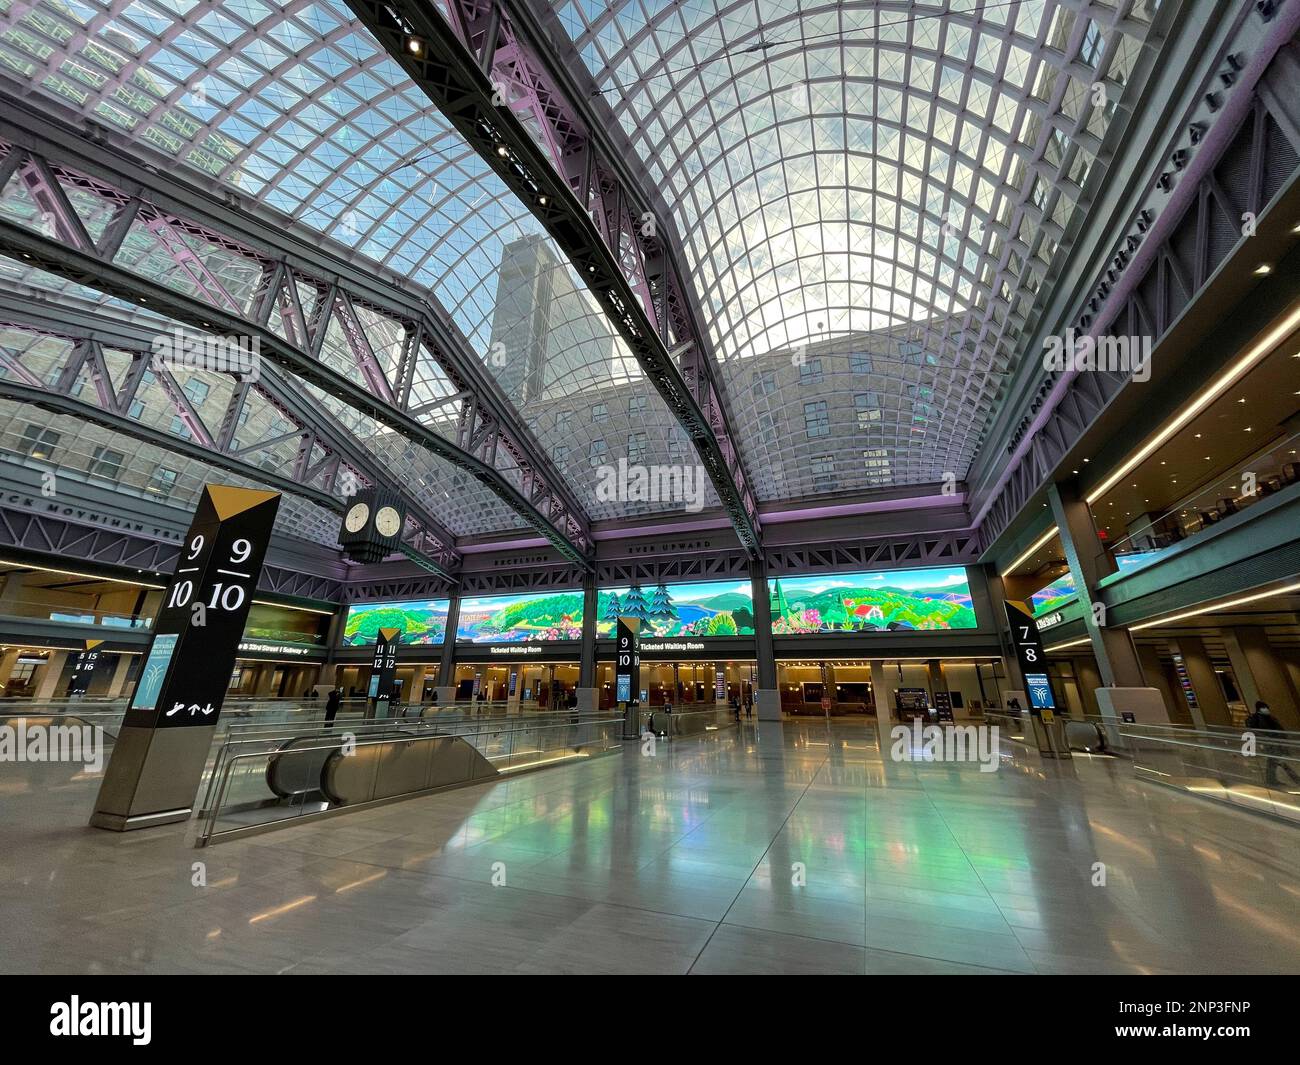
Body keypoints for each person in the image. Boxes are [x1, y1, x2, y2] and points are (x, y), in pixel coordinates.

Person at [1246, 700, 1300, 787]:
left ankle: (1271, 780)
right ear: (1259, 709)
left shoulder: (1270, 718)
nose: (1266, 709)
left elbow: (1279, 729)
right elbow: (1255, 732)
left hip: (1277, 743)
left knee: (1275, 762)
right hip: (1270, 745)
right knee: (1281, 762)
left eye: (1266, 707)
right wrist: (1264, 741)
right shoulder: (1256, 719)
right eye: (1264, 708)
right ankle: (1296, 780)